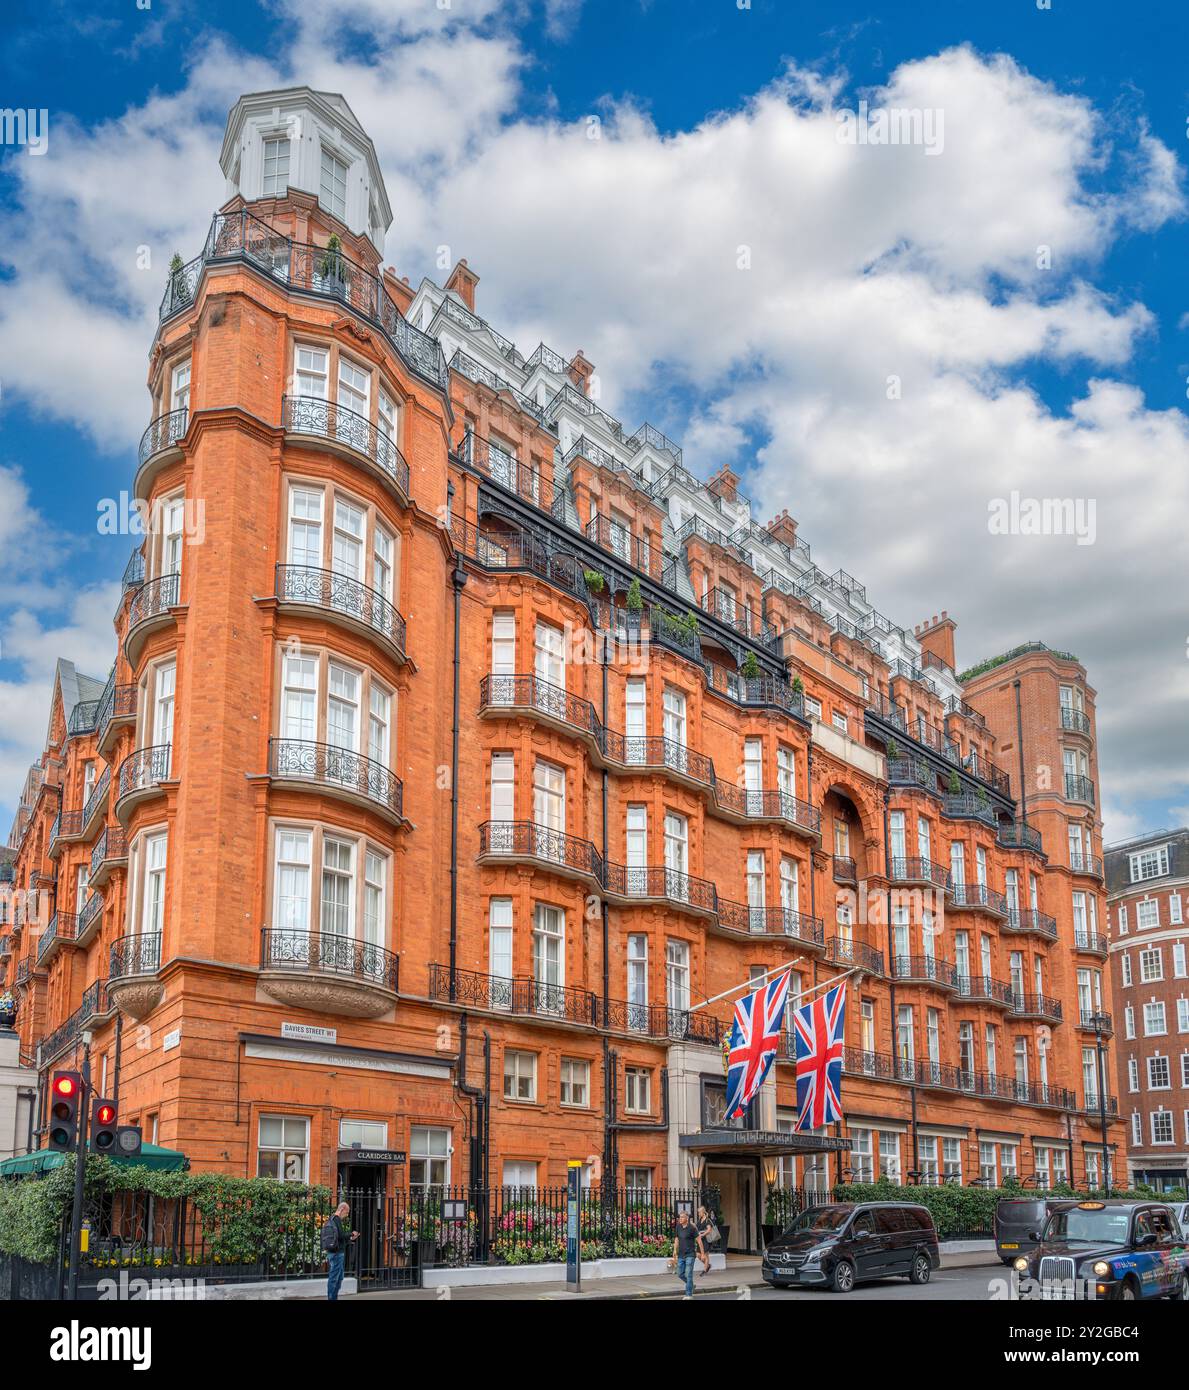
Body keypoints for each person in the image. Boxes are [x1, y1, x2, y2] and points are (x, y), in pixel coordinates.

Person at [321, 1200, 359, 1301]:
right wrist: (351, 1234)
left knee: (339, 1277)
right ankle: (332, 1298)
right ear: (342, 1209)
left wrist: (350, 1239)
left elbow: (338, 1238)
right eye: (346, 1213)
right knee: (334, 1278)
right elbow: (341, 1235)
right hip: (337, 1254)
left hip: (335, 1253)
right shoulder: (336, 1219)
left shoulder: (332, 1218)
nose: (346, 1215)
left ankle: (333, 1297)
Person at [667, 1209, 707, 1298]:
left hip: (690, 1255)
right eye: (679, 1217)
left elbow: (699, 1241)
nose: (680, 1219)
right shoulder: (678, 1227)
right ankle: (691, 1285)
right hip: (681, 1255)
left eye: (682, 1217)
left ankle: (689, 1295)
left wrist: (703, 1254)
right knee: (680, 1274)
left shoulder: (692, 1228)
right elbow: (677, 1239)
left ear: (687, 1218)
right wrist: (674, 1250)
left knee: (688, 1274)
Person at [694, 1204, 719, 1275]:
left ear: (703, 1212)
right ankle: (707, 1265)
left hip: (706, 1239)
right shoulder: (700, 1220)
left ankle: (704, 1270)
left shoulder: (707, 1220)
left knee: (705, 1255)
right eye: (698, 1212)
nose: (698, 1214)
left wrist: (702, 1234)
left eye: (699, 1212)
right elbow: (697, 1228)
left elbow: (709, 1230)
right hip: (700, 1239)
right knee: (698, 1255)